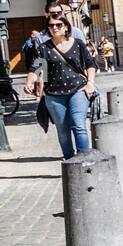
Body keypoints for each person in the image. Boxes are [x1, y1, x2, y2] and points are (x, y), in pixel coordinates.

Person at [24, 17, 97, 159]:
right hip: (54, 95)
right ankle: (70, 162)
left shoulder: (78, 44)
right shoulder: (44, 48)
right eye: (51, 26)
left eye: (58, 25)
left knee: (79, 125)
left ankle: (85, 160)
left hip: (78, 90)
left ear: (66, 27)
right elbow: (36, 68)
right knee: (63, 131)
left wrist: (90, 83)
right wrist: (29, 82)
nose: (55, 27)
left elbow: (90, 64)